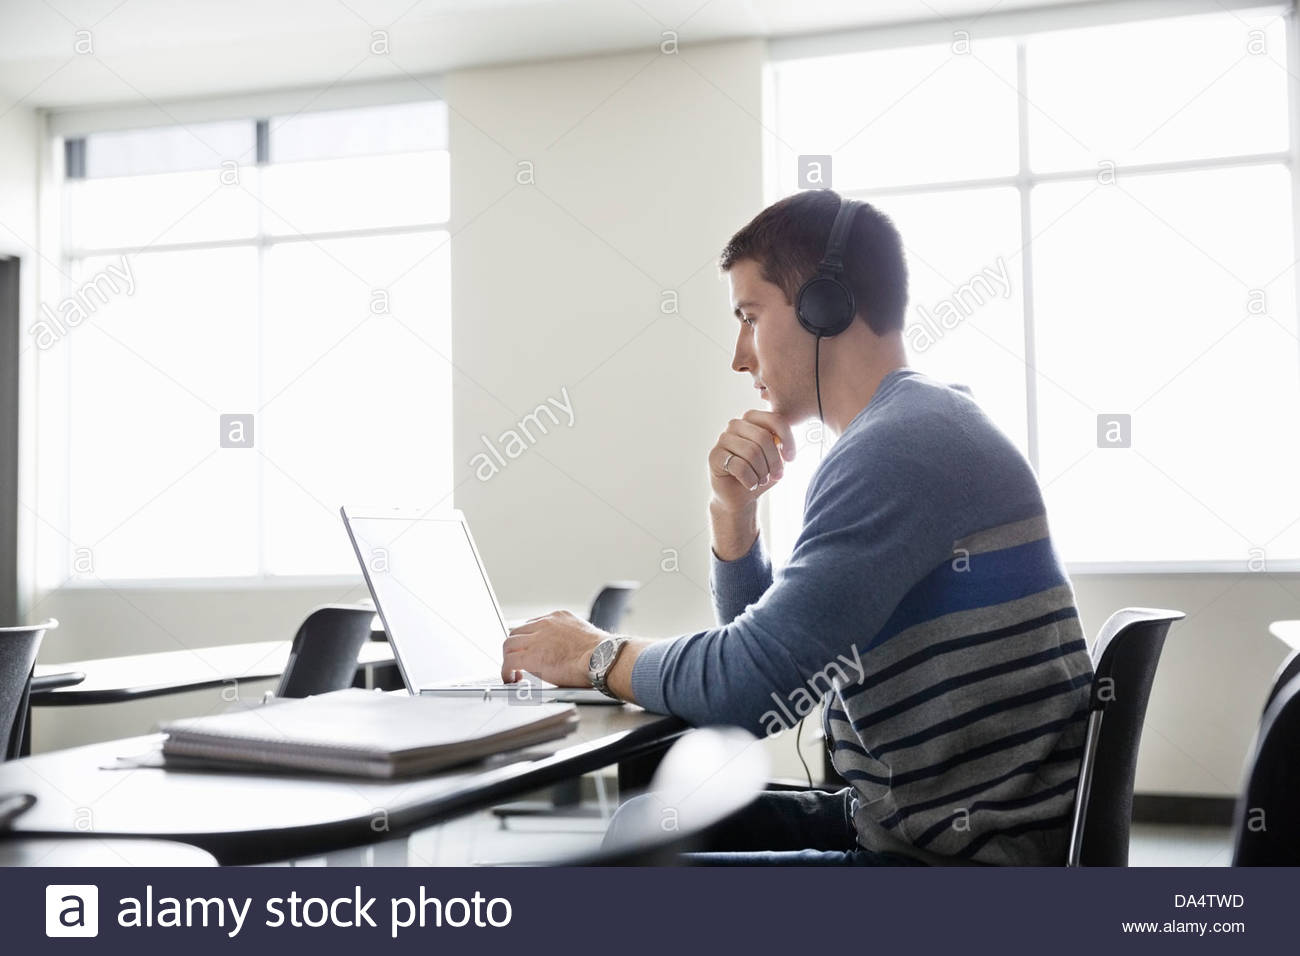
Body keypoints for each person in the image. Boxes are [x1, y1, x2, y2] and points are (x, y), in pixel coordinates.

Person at [500, 188, 1093, 866]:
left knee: (642, 868)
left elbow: (755, 692)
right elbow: (779, 659)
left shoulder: (902, 446)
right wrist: (734, 515)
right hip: (925, 825)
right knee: (649, 819)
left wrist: (594, 655)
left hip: (962, 862)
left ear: (824, 306)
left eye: (750, 317)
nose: (739, 356)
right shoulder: (917, 426)